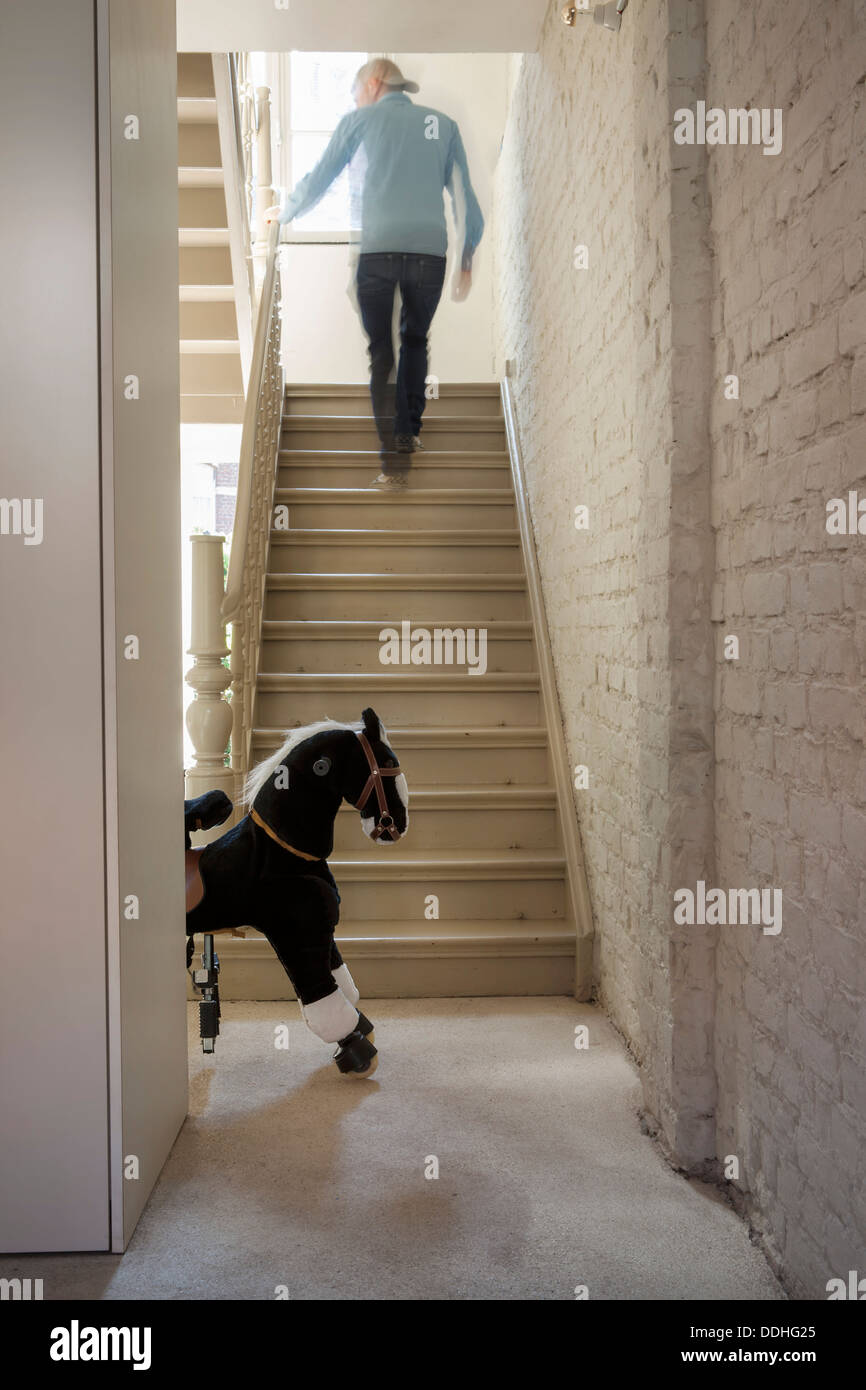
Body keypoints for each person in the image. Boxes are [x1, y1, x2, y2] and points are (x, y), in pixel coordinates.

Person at [265, 57, 485, 489]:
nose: (356, 99)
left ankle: (392, 465)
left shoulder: (358, 123)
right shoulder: (441, 125)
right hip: (428, 252)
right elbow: (465, 197)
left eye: (357, 91)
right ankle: (408, 432)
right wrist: (466, 254)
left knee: (382, 352)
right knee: (416, 339)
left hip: (378, 252)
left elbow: (319, 180)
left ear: (375, 82)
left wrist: (285, 212)